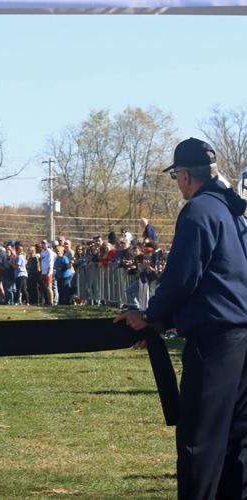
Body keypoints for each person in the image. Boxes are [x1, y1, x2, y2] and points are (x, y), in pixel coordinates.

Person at [116, 138, 247, 500]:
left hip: (216, 339)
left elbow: (183, 277)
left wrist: (150, 316)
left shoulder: (199, 211)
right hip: (242, 337)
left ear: (185, 176)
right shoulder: (233, 211)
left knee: (199, 441)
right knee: (238, 440)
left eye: (176, 176)